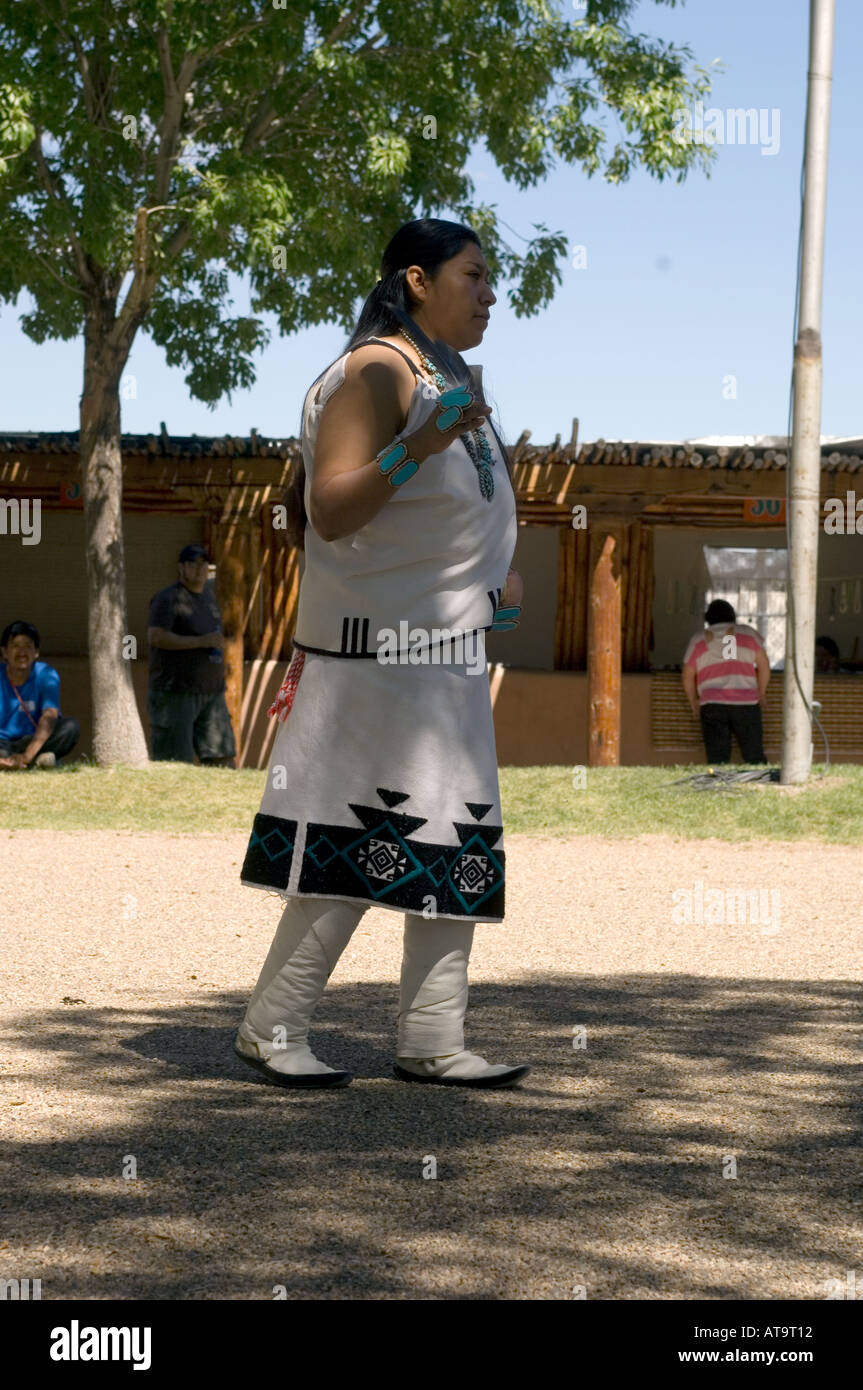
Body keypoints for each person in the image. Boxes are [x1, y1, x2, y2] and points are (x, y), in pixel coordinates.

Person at [236, 217, 530, 1090]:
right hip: (372, 661)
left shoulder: (451, 380)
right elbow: (327, 511)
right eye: (473, 276)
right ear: (416, 279)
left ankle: (433, 1040)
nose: (488, 294)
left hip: (441, 663)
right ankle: (271, 1025)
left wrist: (501, 614)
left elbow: (445, 539)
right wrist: (415, 446)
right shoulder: (377, 369)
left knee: (455, 837)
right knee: (358, 836)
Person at [146, 545, 236, 765]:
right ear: (181, 567)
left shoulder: (209, 597)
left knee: (221, 760)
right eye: (193, 563)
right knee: (174, 762)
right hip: (176, 693)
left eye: (204, 563)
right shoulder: (168, 598)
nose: (199, 568)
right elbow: (156, 637)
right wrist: (200, 642)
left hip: (212, 693)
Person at [682, 599, 770, 764]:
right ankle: (761, 784)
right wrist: (761, 692)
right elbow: (764, 665)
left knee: (717, 758)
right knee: (754, 756)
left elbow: (687, 675)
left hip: (712, 704)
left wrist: (693, 701)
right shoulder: (748, 633)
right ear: (732, 616)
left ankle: (717, 786)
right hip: (746, 704)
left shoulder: (698, 639)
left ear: (708, 618)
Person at [0, 619, 80, 769]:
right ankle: (36, 761)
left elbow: (50, 716)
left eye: (28, 646)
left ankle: (29, 760)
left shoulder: (46, 674)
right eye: (15, 646)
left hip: (34, 740)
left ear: (36, 652)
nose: (22, 652)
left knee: (70, 727)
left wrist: (27, 755)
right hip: (2, 743)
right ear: (4, 652)